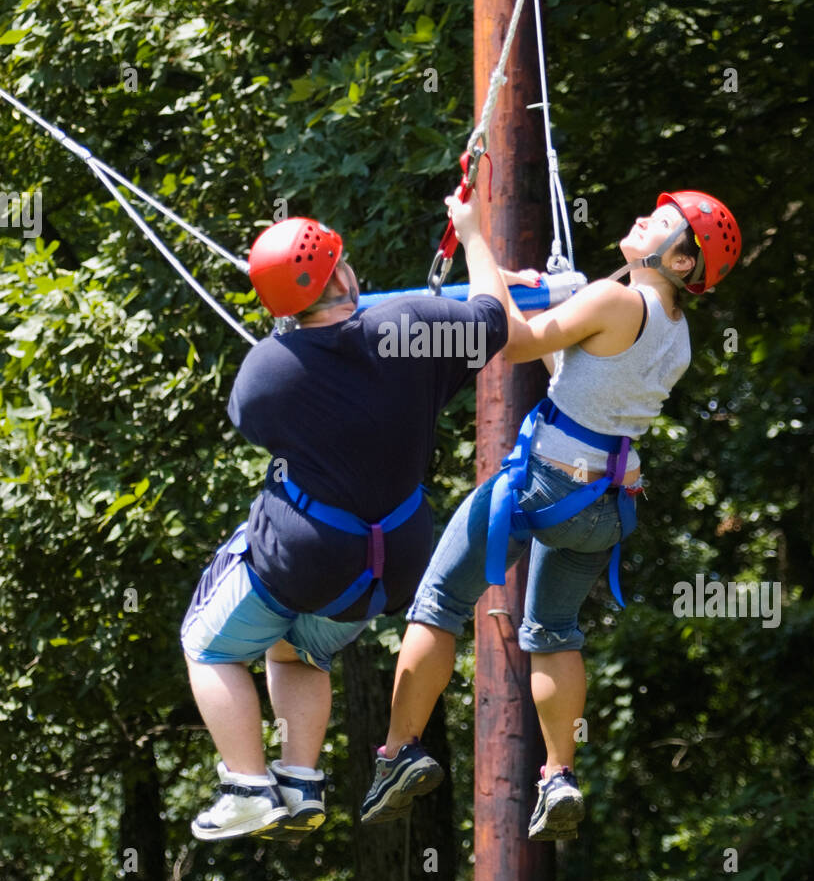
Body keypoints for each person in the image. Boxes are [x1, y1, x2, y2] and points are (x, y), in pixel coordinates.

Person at [360, 189, 741, 839]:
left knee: (439, 602)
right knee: (555, 631)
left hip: (541, 483)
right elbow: (586, 352)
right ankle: (558, 775)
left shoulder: (613, 300)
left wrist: (474, 235)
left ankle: (397, 754)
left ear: (681, 261)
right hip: (604, 506)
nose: (644, 217)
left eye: (663, 222)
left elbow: (515, 342)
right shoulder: (674, 332)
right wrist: (525, 283)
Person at [180, 210, 511, 841]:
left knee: (208, 646)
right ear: (344, 274)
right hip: (392, 567)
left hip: (307, 559)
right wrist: (470, 234)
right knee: (300, 649)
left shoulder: (268, 370)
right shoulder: (415, 326)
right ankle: (299, 783)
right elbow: (493, 316)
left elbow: (254, 425)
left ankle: (248, 786)